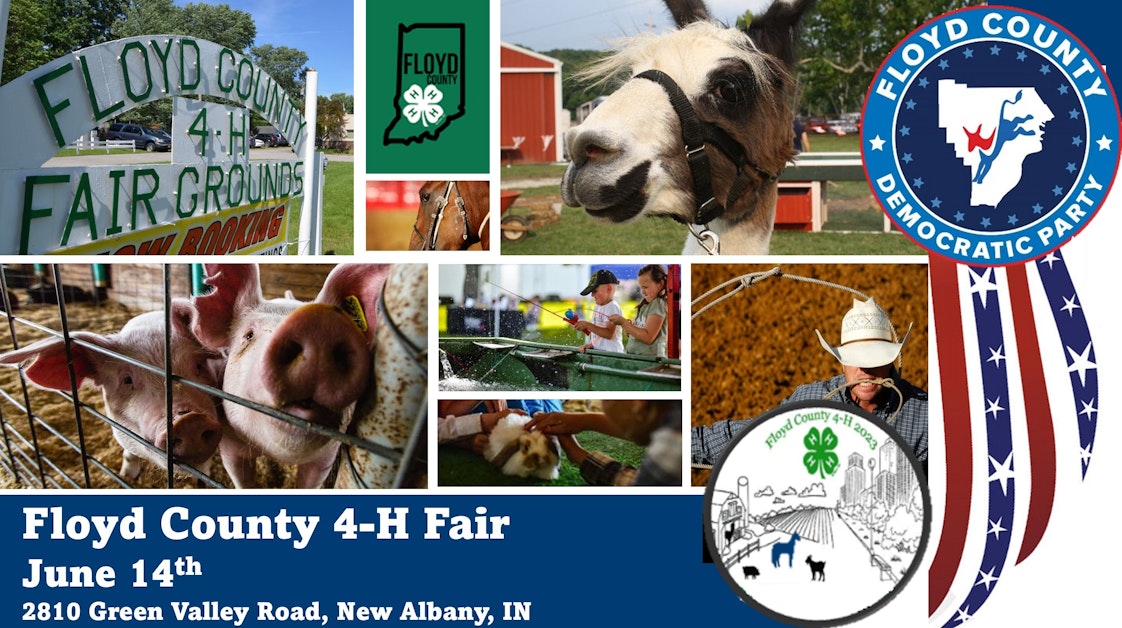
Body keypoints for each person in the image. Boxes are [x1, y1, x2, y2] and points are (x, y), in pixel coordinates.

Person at [691, 297, 928, 476]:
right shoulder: (811, 399)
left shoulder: (925, 417)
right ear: (842, 363)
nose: (864, 371)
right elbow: (751, 436)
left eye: (874, 359)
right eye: (856, 359)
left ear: (890, 360)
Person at [527, 399, 681, 486]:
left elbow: (640, 488)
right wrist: (587, 421)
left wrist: (582, 457)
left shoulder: (673, 446)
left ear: (639, 403)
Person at [608, 264, 668, 357]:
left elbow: (648, 337)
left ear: (660, 284)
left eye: (646, 287)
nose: (643, 292)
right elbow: (641, 331)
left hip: (649, 361)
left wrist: (624, 323)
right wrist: (630, 329)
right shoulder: (645, 305)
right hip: (637, 358)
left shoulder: (658, 304)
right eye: (641, 287)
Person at [573, 269, 624, 353]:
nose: (592, 295)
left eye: (594, 291)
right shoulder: (597, 307)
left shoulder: (612, 308)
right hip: (601, 353)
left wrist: (587, 325)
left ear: (609, 288)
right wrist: (592, 344)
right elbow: (598, 332)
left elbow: (609, 334)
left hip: (613, 355)